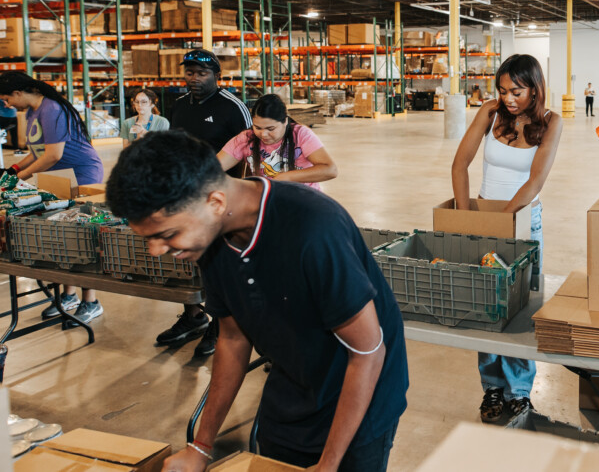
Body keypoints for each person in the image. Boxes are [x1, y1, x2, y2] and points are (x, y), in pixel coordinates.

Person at [106, 131, 407, 469]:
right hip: (293, 387)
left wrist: (329, 463)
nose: (158, 251)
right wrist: (201, 448)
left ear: (216, 203)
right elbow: (233, 339)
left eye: (166, 235)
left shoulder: (313, 229)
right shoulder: (208, 236)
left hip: (360, 398)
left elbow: (367, 353)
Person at [451, 54, 562, 423]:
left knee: (519, 307)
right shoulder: (490, 113)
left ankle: (519, 392)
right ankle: (492, 388)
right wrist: (466, 216)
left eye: (517, 90)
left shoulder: (551, 123)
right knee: (486, 306)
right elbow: (459, 164)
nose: (508, 98)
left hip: (524, 223)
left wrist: (502, 224)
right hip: (485, 217)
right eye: (502, 90)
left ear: (536, 88)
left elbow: (535, 182)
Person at [160, 48, 252, 358]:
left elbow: (247, 154)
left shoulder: (232, 106)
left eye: (201, 73)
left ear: (216, 75)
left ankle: (219, 321)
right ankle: (194, 315)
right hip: (185, 193)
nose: (194, 79)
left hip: (219, 196)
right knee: (181, 252)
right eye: (189, 73)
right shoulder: (179, 105)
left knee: (215, 259)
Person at [0, 72, 106, 324]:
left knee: (83, 236)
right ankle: (69, 295)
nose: (7, 105)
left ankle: (91, 301)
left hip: (81, 174)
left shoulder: (51, 109)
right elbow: (36, 152)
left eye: (6, 99)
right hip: (59, 176)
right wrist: (12, 171)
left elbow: (53, 155)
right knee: (63, 236)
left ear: (17, 92)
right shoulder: (33, 111)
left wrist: (21, 177)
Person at [218, 94, 338, 190]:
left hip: (304, 198)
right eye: (257, 128)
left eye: (271, 129)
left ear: (285, 121)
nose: (263, 134)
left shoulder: (301, 135)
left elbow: (330, 170)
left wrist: (287, 177)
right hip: (269, 199)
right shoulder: (246, 138)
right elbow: (214, 166)